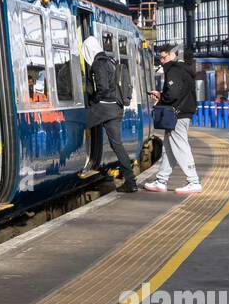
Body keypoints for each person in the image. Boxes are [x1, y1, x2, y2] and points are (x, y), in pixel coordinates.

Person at [82, 32, 138, 193]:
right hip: (117, 108)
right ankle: (131, 181)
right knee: (117, 145)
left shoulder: (98, 64)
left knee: (79, 123)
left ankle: (74, 162)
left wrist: (94, 101)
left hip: (105, 107)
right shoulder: (111, 61)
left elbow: (103, 88)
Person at [144, 42, 202, 195]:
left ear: (172, 55)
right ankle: (161, 180)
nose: (161, 61)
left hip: (177, 115)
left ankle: (193, 181)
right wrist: (163, 96)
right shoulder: (185, 70)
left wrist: (162, 98)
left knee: (181, 146)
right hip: (182, 113)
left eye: (163, 57)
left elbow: (174, 94)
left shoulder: (174, 70)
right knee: (168, 148)